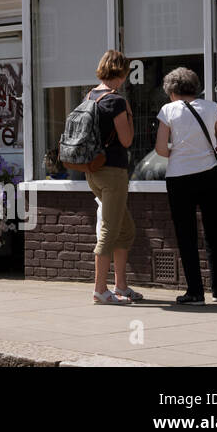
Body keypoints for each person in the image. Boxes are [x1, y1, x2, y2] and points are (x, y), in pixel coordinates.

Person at [155, 67, 217, 304]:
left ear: (172, 91)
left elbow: (160, 148)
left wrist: (179, 153)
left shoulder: (168, 110)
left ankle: (195, 292)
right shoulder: (211, 107)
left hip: (179, 178)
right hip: (209, 174)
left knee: (186, 233)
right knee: (214, 231)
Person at [86, 49, 140, 305]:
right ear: (122, 72)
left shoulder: (89, 96)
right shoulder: (116, 101)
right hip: (113, 172)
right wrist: (128, 112)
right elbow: (127, 140)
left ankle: (120, 285)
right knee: (109, 230)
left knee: (125, 229)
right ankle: (100, 289)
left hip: (92, 171)